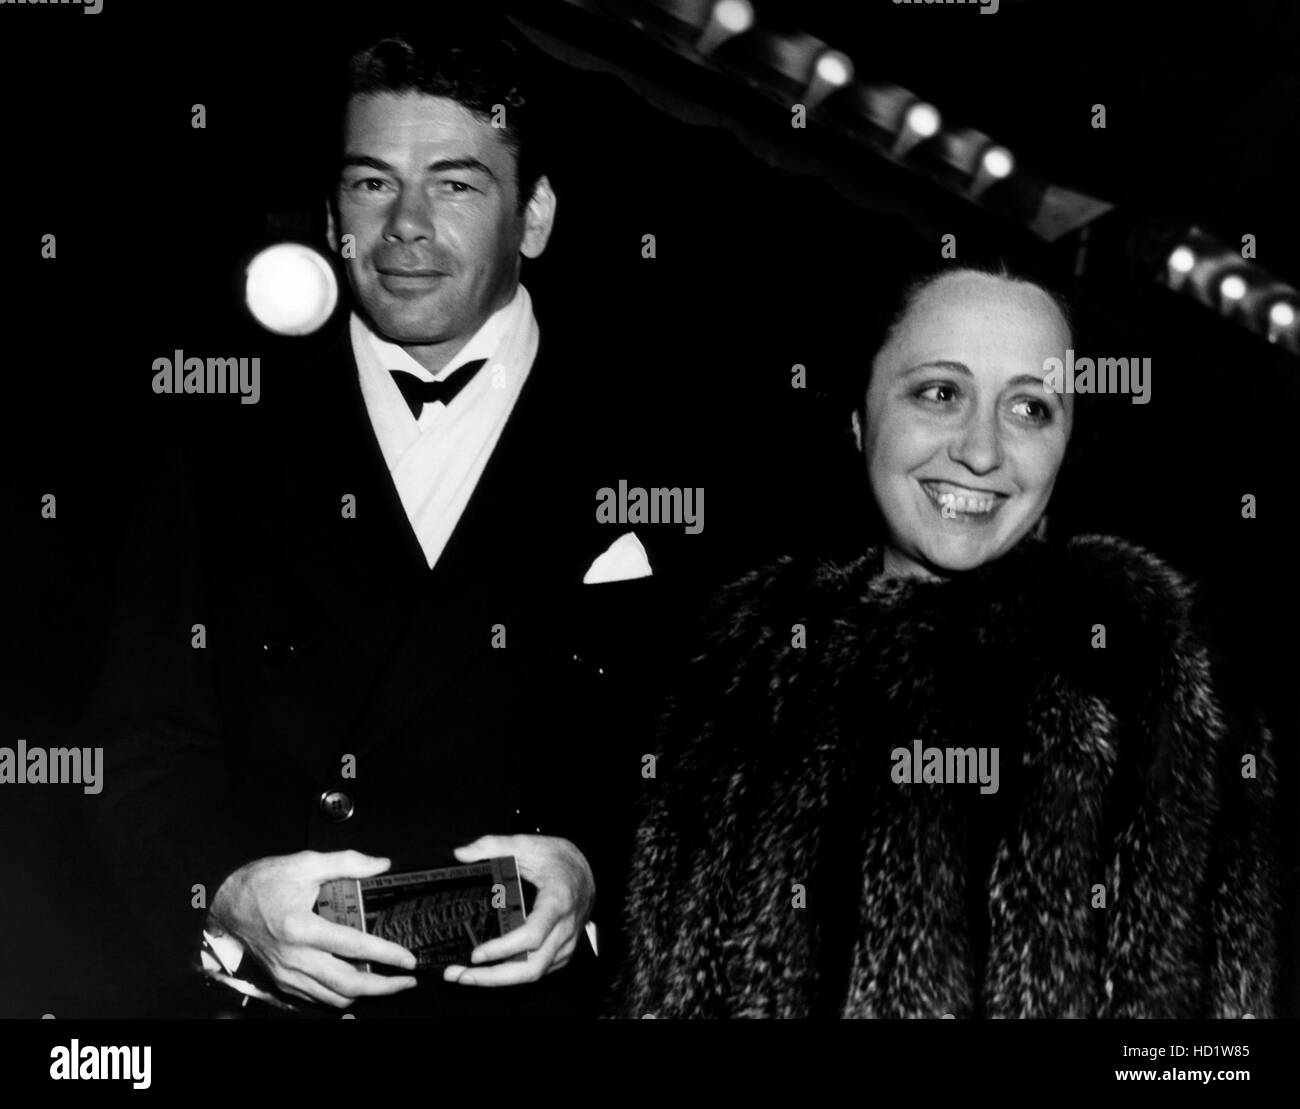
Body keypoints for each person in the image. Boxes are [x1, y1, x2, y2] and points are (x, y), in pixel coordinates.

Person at [85, 21, 661, 1018]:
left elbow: (712, 756)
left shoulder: (665, 437)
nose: (403, 226)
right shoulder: (214, 434)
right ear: (330, 211)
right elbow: (135, 746)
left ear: (535, 217)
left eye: (455, 184)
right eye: (370, 183)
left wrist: (597, 873)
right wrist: (221, 896)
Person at [613, 261, 1278, 1019]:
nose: (983, 450)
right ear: (859, 415)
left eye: (1031, 408)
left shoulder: (1141, 673)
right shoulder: (743, 658)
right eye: (940, 392)